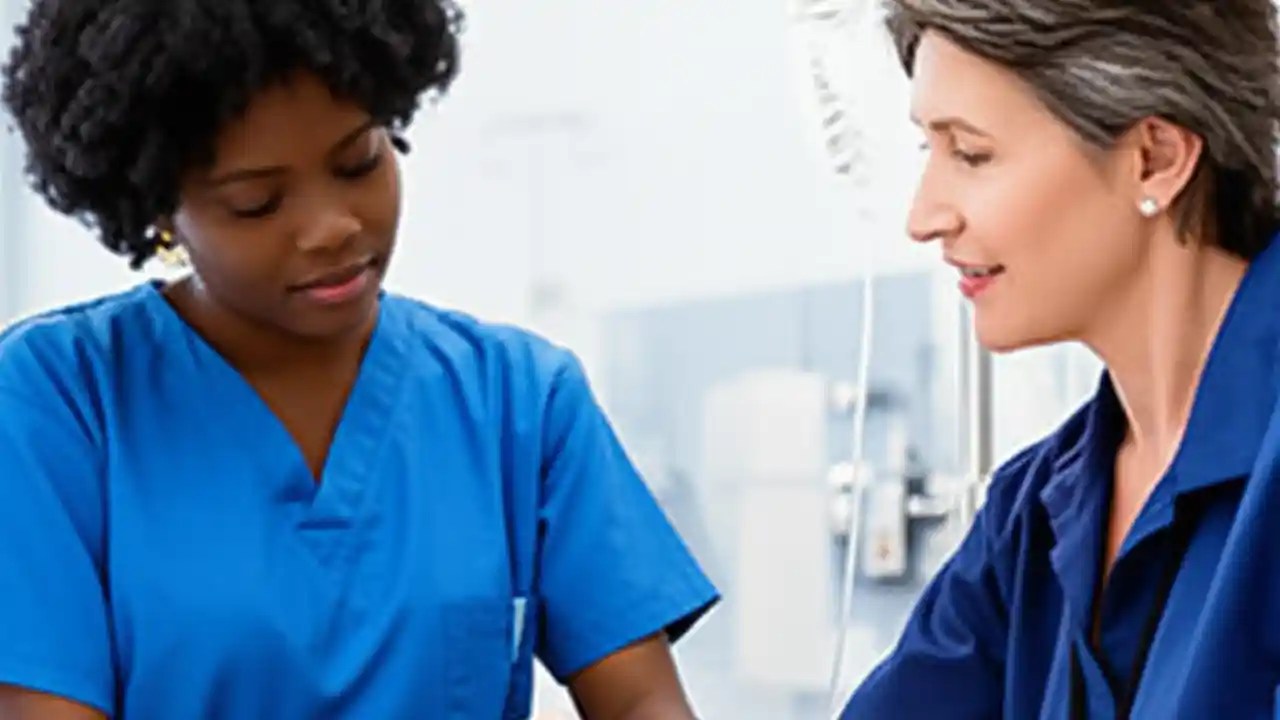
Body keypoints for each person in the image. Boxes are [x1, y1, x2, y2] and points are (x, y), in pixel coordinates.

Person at [0, 2, 719, 719]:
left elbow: (640, 704)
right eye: (257, 203)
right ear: (158, 206)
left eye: (359, 162)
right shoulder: (60, 402)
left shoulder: (519, 402)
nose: (332, 228)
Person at [841, 0, 1280, 718]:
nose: (924, 217)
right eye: (931, 151)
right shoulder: (1035, 514)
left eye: (972, 154)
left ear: (1155, 159)